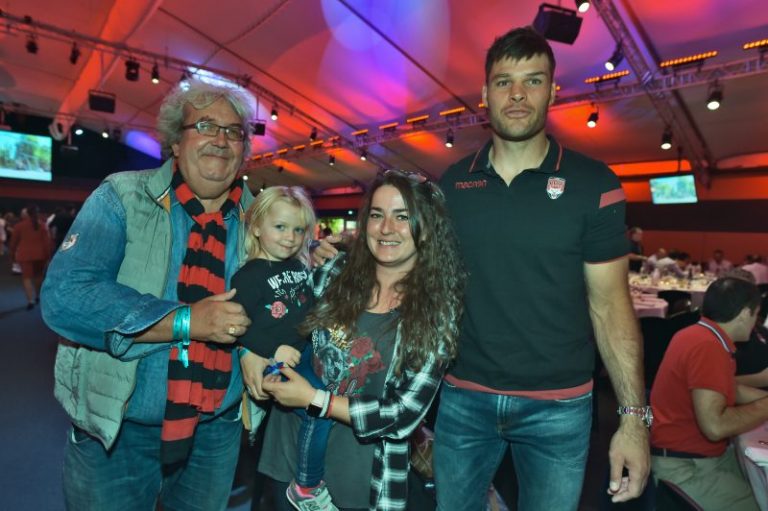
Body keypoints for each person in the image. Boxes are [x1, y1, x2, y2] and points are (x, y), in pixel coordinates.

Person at [432, 26, 648, 510]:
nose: (517, 95)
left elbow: (612, 306)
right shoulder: (451, 183)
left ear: (554, 90)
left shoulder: (594, 183)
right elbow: (426, 279)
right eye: (504, 81)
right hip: (464, 397)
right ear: (484, 94)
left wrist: (634, 419)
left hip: (559, 405)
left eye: (533, 80)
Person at [40, 79, 258, 511]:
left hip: (216, 430)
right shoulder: (122, 195)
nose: (221, 139)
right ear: (176, 142)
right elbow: (66, 295)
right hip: (120, 431)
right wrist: (185, 320)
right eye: (206, 126)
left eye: (234, 131)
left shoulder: (261, 219)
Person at [257, 170, 465, 511]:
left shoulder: (435, 315)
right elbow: (276, 319)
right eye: (377, 215)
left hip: (361, 482)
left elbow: (403, 415)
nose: (386, 229)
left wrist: (316, 400)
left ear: (426, 229)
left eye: (402, 217)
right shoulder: (333, 273)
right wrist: (254, 356)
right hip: (288, 460)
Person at [231, 186, 333, 509]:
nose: (290, 237)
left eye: (298, 229)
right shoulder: (247, 277)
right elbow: (238, 328)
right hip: (282, 362)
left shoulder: (298, 265)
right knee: (321, 408)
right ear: (257, 227)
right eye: (280, 227)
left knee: (326, 404)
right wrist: (273, 351)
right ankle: (306, 484)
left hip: (306, 354)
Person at [650, 276, 764, 510]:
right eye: (755, 314)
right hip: (685, 466)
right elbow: (715, 427)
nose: (755, 322)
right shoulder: (709, 347)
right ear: (744, 313)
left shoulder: (698, 334)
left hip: (688, 455)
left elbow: (728, 388)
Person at [9, 204, 51, 309]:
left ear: (27, 214)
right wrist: (48, 257)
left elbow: (13, 243)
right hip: (41, 255)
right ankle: (37, 296)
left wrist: (12, 255)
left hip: (24, 255)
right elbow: (47, 243)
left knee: (26, 278)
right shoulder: (43, 225)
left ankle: (30, 301)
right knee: (38, 277)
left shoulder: (19, 226)